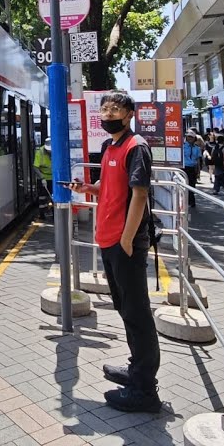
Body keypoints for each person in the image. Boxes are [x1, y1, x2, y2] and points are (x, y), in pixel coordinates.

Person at [70, 91, 162, 413]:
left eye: (115, 108)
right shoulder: (110, 147)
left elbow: (139, 196)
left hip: (124, 244)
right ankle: (136, 369)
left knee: (137, 314)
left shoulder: (136, 147)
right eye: (104, 108)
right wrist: (87, 189)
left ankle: (145, 391)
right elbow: (110, 189)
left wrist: (126, 240)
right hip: (108, 241)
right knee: (126, 309)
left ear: (129, 114)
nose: (107, 112)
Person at [182, 131, 203, 208]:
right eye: (188, 137)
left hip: (192, 168)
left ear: (194, 138)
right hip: (184, 168)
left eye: (191, 137)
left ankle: (192, 201)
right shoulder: (183, 146)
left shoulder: (197, 148)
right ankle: (184, 201)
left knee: (192, 185)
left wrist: (198, 171)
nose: (190, 138)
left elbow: (198, 160)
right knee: (184, 185)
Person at [34, 138, 53, 214]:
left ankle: (53, 214)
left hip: (53, 178)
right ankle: (42, 214)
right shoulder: (40, 152)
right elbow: (35, 167)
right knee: (42, 197)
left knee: (53, 197)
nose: (49, 151)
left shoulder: (57, 150)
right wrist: (42, 178)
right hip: (43, 178)